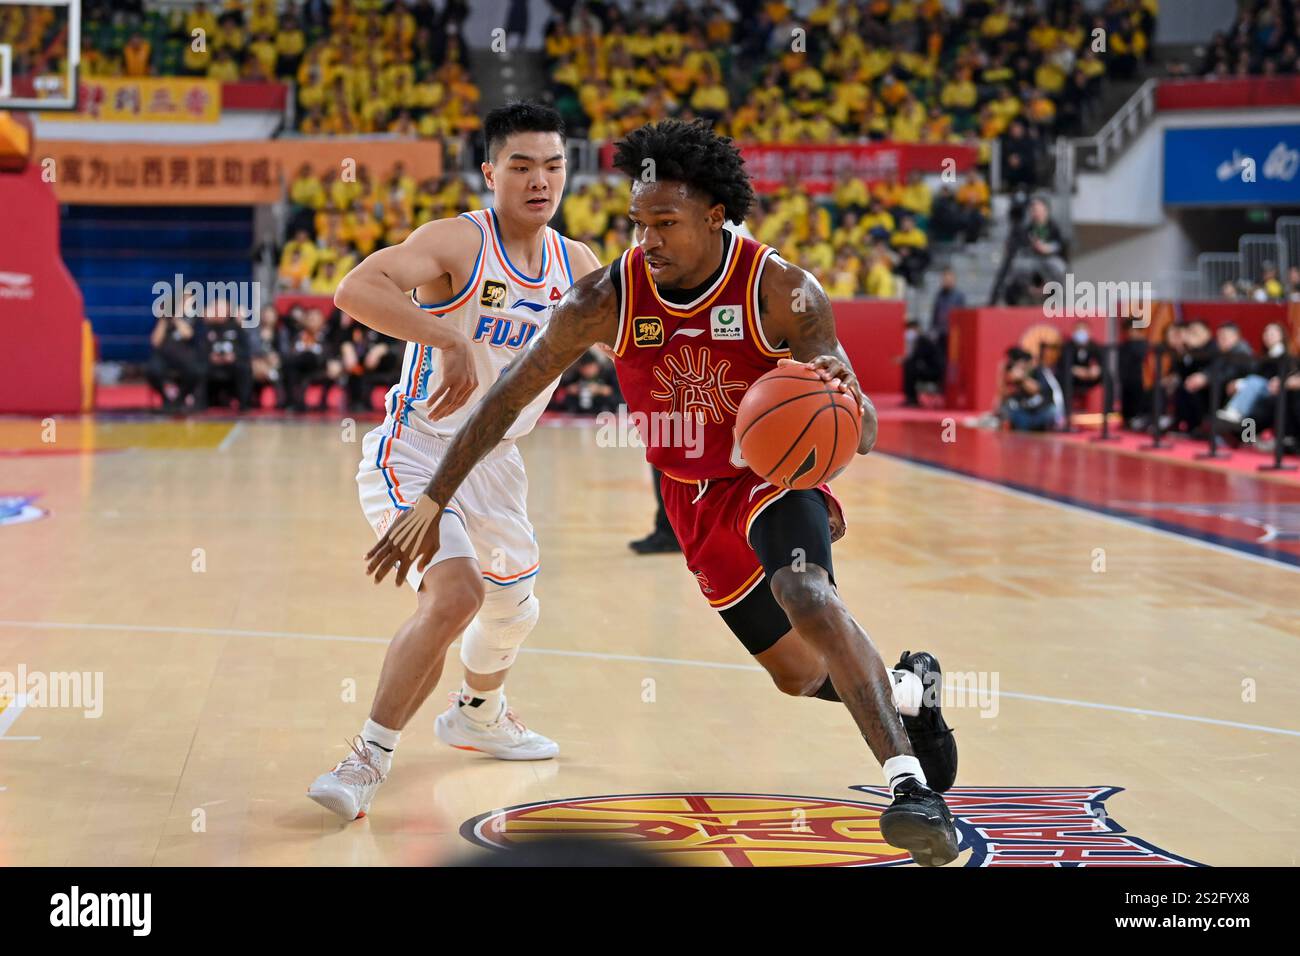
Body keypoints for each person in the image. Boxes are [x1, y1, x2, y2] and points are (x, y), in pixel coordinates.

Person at [362, 120, 963, 867]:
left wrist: (852, 402)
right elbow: (504, 398)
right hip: (691, 497)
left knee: (807, 592)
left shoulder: (782, 291)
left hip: (771, 475)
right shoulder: (606, 296)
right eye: (638, 222)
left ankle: (909, 791)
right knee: (798, 674)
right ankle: (910, 690)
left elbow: (863, 430)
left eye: (665, 223)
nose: (647, 238)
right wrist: (434, 496)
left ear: (716, 215)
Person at [306, 103, 604, 823]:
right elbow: (357, 288)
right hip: (414, 450)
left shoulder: (580, 267)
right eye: (523, 166)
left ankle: (478, 713)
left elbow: (644, 344)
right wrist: (447, 336)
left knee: (513, 609)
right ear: (490, 173)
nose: (541, 180)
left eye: (554, 165)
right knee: (456, 594)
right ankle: (366, 758)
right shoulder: (457, 242)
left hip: (497, 462)